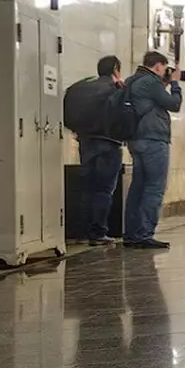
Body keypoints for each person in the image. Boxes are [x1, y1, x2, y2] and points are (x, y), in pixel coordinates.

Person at [122, 51, 183, 249]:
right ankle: (144, 233)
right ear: (158, 66)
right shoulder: (150, 82)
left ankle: (131, 233)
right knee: (155, 187)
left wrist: (163, 85)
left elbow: (151, 101)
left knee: (138, 187)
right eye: (165, 69)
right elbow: (174, 104)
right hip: (153, 139)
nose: (166, 72)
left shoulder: (133, 80)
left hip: (136, 139)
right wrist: (174, 83)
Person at [71, 55, 125, 246]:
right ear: (116, 69)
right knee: (104, 190)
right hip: (109, 144)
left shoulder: (82, 87)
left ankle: (83, 231)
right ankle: (98, 232)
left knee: (88, 188)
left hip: (86, 142)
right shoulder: (116, 89)